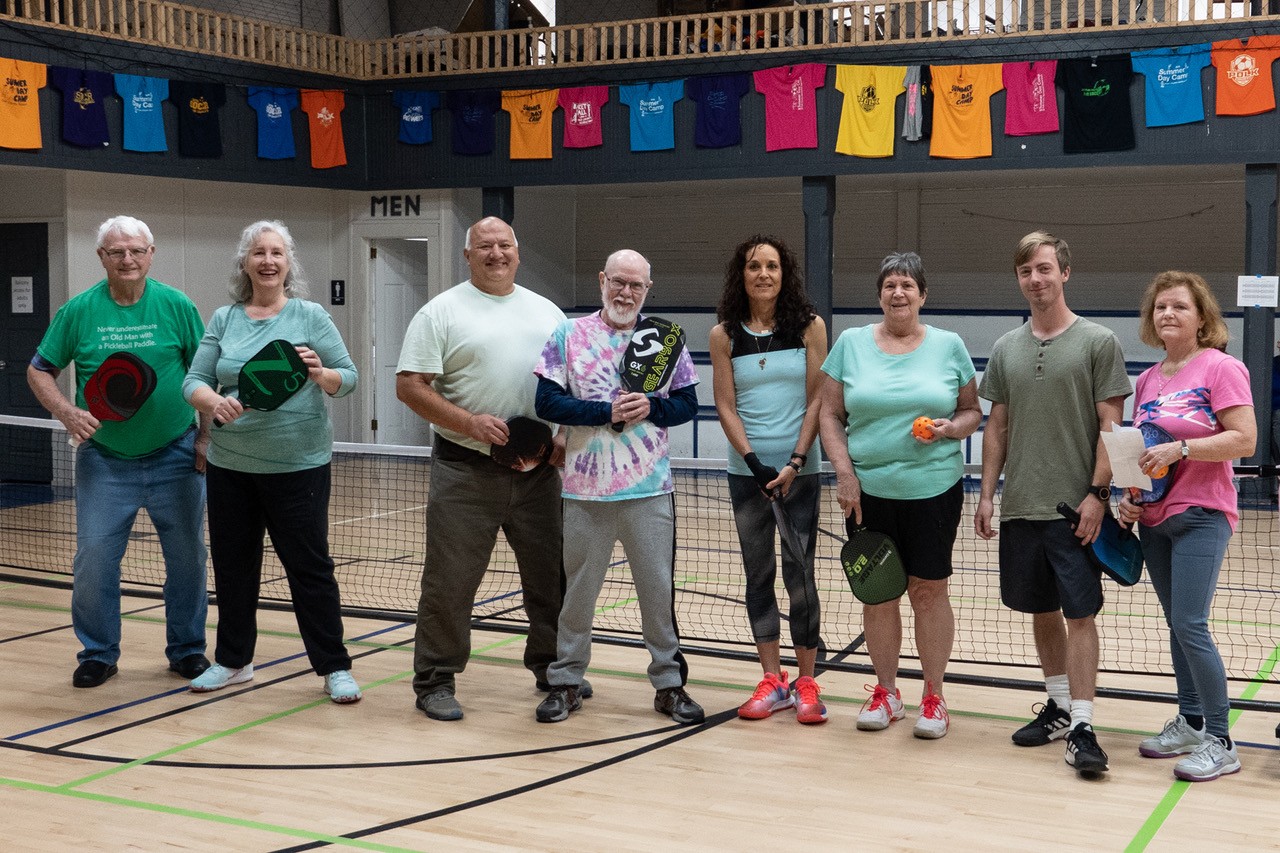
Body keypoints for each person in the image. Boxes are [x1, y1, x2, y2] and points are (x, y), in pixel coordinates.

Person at [182, 220, 362, 704]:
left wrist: (321, 373)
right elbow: (193, 381)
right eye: (258, 252)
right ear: (245, 263)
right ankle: (234, 661)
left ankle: (334, 667)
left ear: (288, 263)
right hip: (231, 465)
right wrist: (211, 403)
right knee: (234, 567)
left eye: (277, 252)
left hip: (298, 465)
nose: (267, 260)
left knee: (310, 569)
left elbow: (349, 377)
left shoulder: (310, 316)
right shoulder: (224, 319)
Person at [28, 215, 210, 689]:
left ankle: (187, 650)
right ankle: (98, 653)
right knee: (93, 558)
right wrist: (67, 412)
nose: (127, 259)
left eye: (135, 250)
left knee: (188, 558)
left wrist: (206, 437)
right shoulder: (79, 311)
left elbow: (204, 375)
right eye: (116, 252)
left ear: (151, 253)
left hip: (177, 453)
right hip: (104, 460)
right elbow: (39, 370)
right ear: (101, 258)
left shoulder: (176, 305)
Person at [396, 216, 566, 721]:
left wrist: (562, 437)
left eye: (505, 245)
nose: (496, 253)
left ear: (518, 252)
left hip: (539, 475)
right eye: (485, 246)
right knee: (450, 582)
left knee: (551, 579)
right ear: (467, 255)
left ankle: (553, 668)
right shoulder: (440, 312)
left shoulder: (548, 312)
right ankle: (434, 681)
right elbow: (410, 385)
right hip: (464, 471)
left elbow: (571, 387)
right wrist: (469, 423)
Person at [975, 231, 1131, 775]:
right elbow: (997, 425)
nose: (1036, 280)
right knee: (1041, 611)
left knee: (1080, 614)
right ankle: (1060, 707)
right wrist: (988, 495)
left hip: (1077, 511)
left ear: (1065, 272)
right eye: (1026, 272)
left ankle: (1085, 725)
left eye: (1044, 269)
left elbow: (1111, 426)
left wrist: (1098, 494)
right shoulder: (1004, 349)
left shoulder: (1098, 341)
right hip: (1020, 506)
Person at [532, 249, 705, 725]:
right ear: (602, 280)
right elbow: (546, 402)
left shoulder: (665, 341)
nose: (626, 292)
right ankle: (566, 682)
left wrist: (652, 407)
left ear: (647, 290)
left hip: (650, 491)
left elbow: (687, 403)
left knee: (657, 593)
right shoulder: (569, 334)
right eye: (619, 282)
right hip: (584, 492)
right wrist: (603, 413)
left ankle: (669, 685)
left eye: (637, 286)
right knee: (577, 595)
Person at [818, 252, 981, 739]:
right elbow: (829, 414)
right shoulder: (849, 344)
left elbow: (972, 410)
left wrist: (952, 429)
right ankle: (886, 692)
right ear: (880, 295)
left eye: (907, 285)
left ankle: (934, 696)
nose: (898, 293)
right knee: (879, 596)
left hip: (934, 490)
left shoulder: (949, 345)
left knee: (928, 593)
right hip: (867, 494)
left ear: (923, 295)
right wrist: (844, 473)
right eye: (890, 285)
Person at [1117, 271, 1255, 782]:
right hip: (1156, 519)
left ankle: (1221, 740)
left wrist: (1185, 448)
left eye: (1179, 306)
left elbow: (1245, 439)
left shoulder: (1222, 368)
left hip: (1202, 512)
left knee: (1192, 624)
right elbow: (1142, 447)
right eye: (1160, 308)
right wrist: (1130, 497)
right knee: (1177, 625)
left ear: (1202, 318)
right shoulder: (1149, 379)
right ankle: (1192, 721)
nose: (1168, 314)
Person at [710, 235, 829, 724]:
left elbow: (818, 400)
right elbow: (724, 404)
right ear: (742, 274)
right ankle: (771, 679)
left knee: (799, 575)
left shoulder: (810, 327)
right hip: (748, 476)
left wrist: (795, 462)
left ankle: (805, 682)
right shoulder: (723, 335)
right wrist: (755, 462)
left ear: (785, 274)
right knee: (757, 574)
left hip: (801, 471)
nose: (763, 274)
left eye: (773, 266)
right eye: (754, 266)